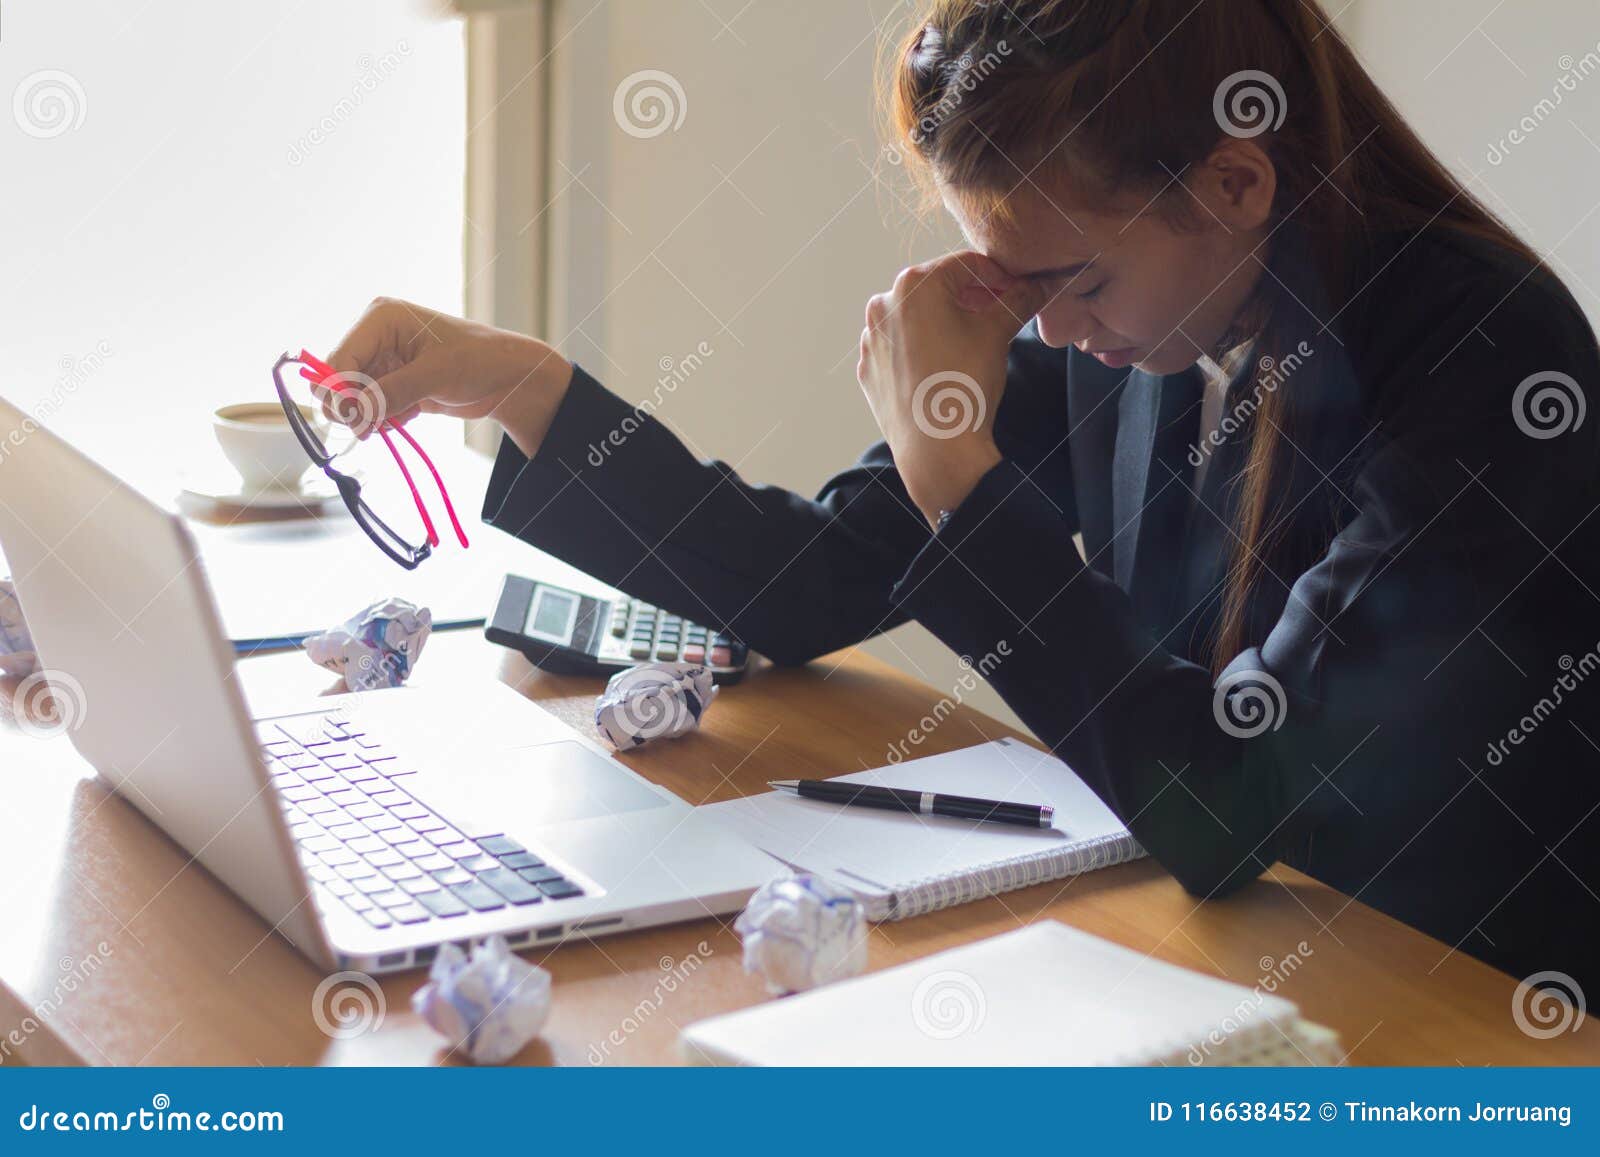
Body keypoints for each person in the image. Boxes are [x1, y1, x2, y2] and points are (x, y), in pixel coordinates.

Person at [319, 0, 1600, 990]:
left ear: (1234, 185)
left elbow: (1232, 801)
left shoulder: (1482, 358)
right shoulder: (1151, 316)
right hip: (1240, 959)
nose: (1046, 325)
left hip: (1466, 1010)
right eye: (1018, 282)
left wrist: (959, 472)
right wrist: (528, 386)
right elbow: (812, 580)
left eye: (1073, 282)